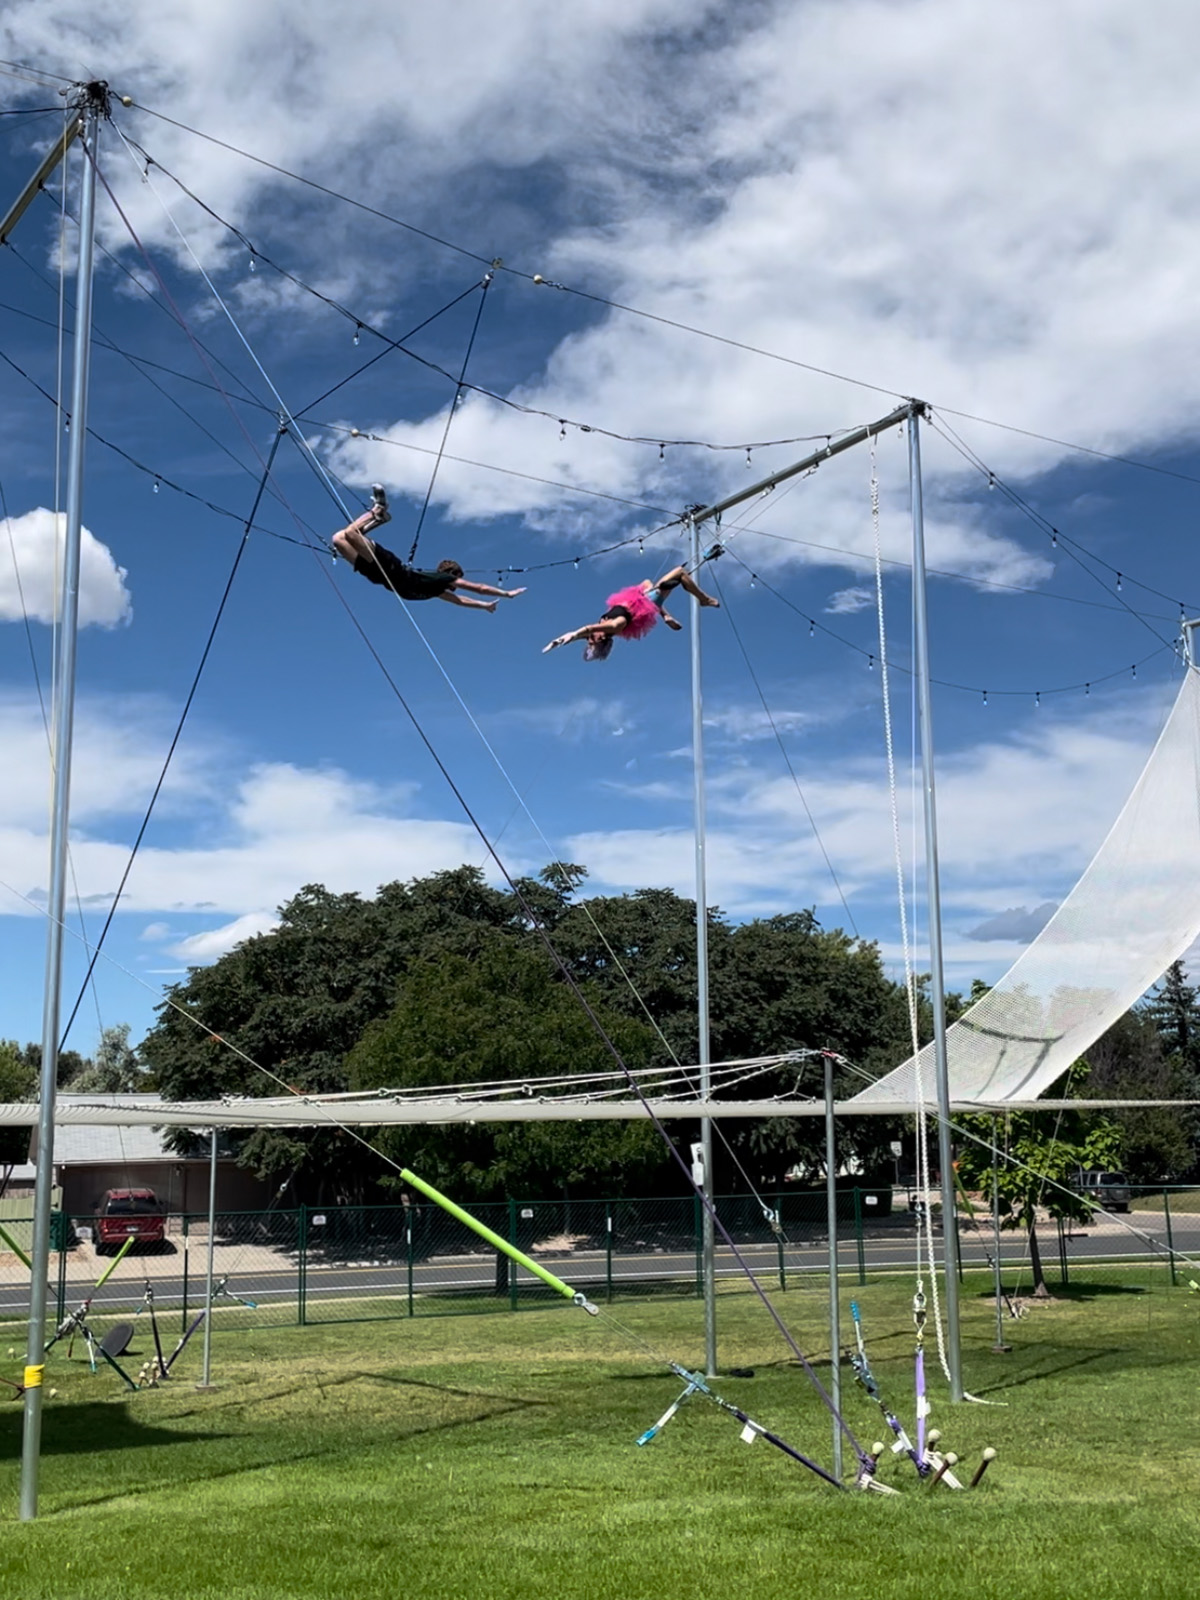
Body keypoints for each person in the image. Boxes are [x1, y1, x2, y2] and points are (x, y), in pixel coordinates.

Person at [331, 486, 526, 610]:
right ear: (453, 577)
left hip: (377, 576)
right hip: (389, 567)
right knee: (350, 534)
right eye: (456, 581)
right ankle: (378, 511)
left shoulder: (435, 590)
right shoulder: (443, 580)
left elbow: (461, 601)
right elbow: (479, 588)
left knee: (338, 539)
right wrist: (506, 594)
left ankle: (379, 518)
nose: (455, 587)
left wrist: (485, 607)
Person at [542, 564, 719, 659]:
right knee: (680, 572)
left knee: (648, 582)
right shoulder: (613, 627)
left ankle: (666, 616)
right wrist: (575, 635)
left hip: (638, 598)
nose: (590, 639)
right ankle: (703, 599)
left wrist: (563, 639)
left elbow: (582, 634)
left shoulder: (598, 631)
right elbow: (587, 629)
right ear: (601, 639)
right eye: (593, 641)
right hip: (647, 601)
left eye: (589, 641)